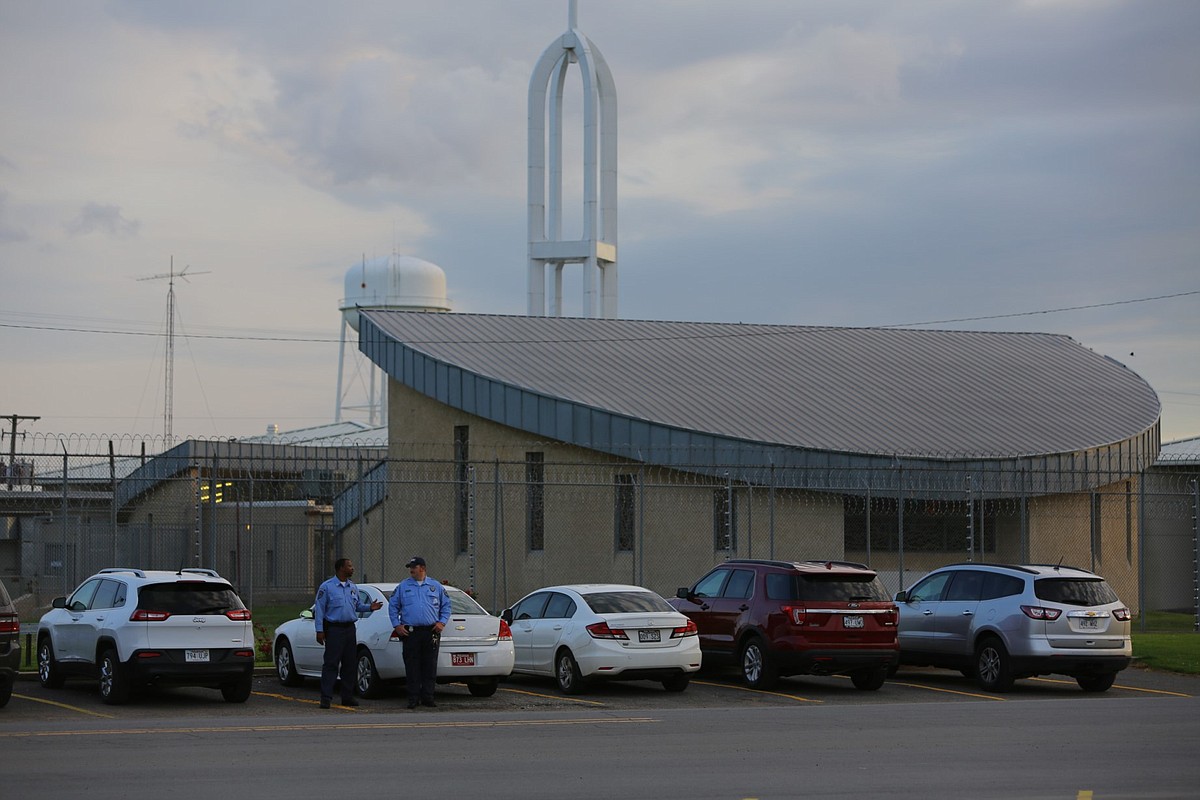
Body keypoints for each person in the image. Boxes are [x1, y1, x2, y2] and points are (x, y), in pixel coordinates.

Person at [314, 557, 382, 709]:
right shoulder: (327, 587)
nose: (353, 568)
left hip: (350, 629)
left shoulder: (352, 587)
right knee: (331, 664)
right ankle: (326, 698)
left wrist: (370, 607)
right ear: (341, 569)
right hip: (334, 629)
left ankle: (347, 696)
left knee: (349, 664)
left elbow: (357, 605)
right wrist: (319, 630)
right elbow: (320, 609)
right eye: (349, 566)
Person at [388, 556, 451, 709]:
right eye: (410, 567)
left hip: (431, 632)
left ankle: (428, 697)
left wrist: (442, 622)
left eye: (414, 567)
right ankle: (413, 698)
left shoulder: (435, 586)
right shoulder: (403, 586)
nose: (411, 570)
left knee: (430, 666)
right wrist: (397, 625)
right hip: (411, 633)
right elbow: (393, 606)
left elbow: (446, 606)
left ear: (422, 568)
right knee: (412, 666)